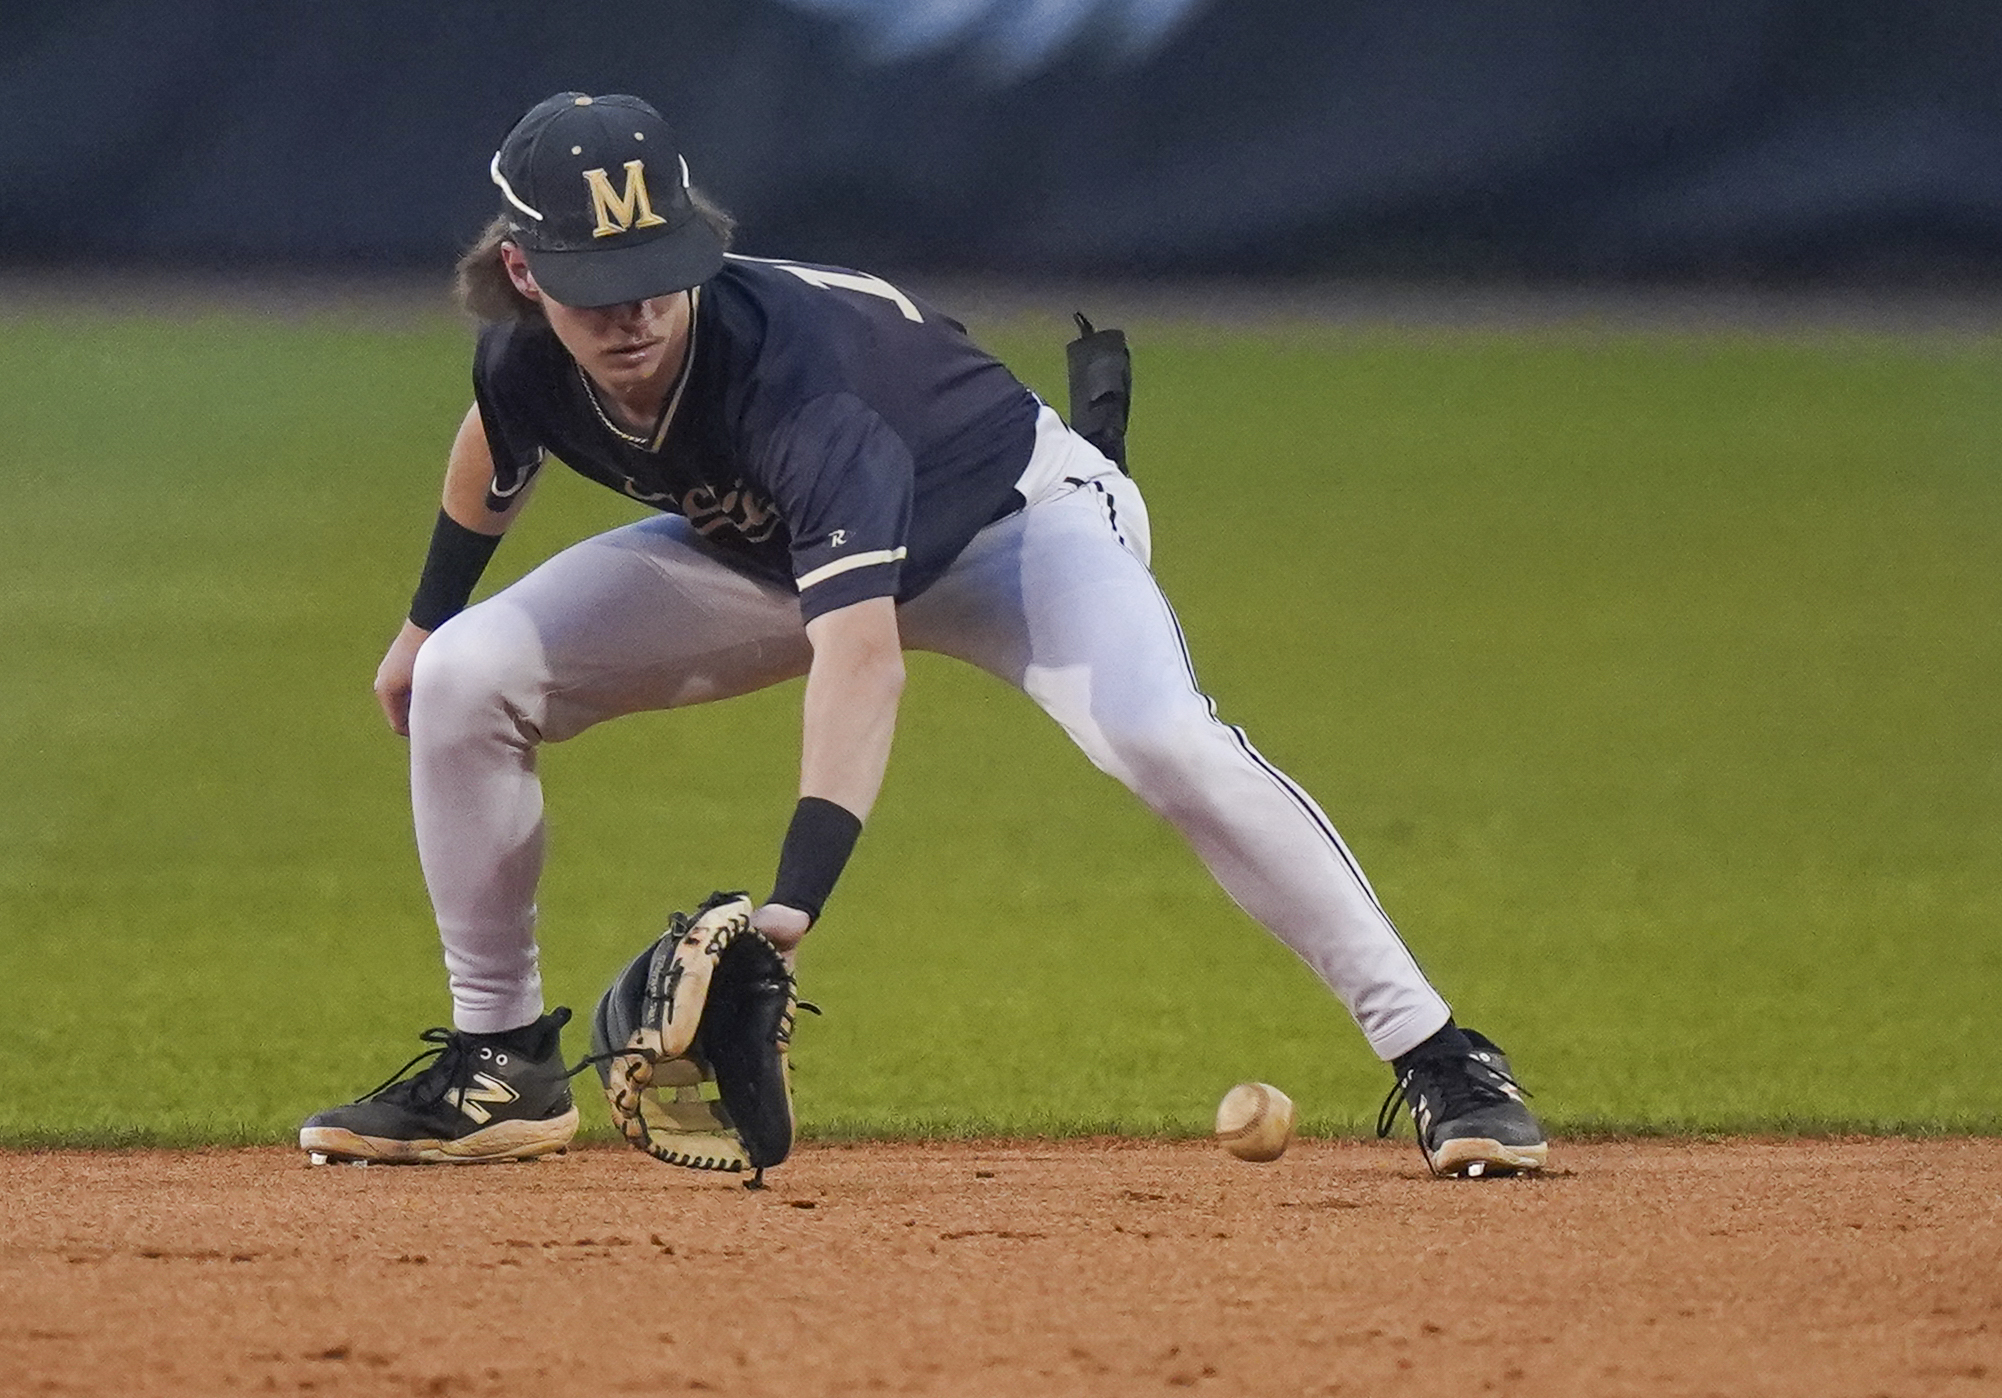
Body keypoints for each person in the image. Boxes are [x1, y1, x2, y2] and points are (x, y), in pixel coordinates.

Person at [298, 92, 1548, 1178]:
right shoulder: (526, 358)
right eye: (593, 286)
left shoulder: (804, 380)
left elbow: (861, 659)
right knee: (467, 676)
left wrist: (792, 907)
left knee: (1163, 740)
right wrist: (424, 620)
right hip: (773, 553)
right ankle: (501, 1063)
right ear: (524, 275)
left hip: (1016, 529)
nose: (631, 313)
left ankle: (1442, 1055)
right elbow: (496, 450)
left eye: (655, 270)